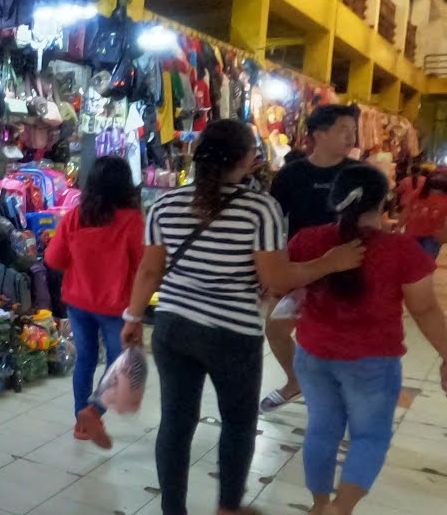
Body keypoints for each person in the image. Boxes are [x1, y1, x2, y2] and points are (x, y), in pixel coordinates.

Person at [123, 119, 363, 515]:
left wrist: (133, 318)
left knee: (175, 423)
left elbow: (149, 271)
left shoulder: (164, 204)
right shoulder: (260, 209)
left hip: (173, 328)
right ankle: (228, 509)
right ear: (247, 159)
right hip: (231, 335)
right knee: (236, 423)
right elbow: (277, 277)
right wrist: (329, 262)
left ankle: (173, 511)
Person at [287, 164, 447, 515]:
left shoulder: (308, 239)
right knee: (369, 437)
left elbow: (285, 285)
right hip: (371, 362)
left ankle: (319, 505)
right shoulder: (401, 250)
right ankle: (341, 509)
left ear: (335, 199)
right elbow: (426, 311)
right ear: (383, 202)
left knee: (322, 429)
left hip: (313, 353)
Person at [262, 104, 360, 414]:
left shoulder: (359, 175)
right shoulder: (292, 174)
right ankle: (295, 381)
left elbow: (372, 225)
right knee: (276, 329)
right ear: (319, 134)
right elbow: (274, 223)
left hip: (345, 269)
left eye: (353, 130)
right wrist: (271, 270)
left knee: (337, 338)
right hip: (298, 269)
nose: (351, 136)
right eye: (344, 130)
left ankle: (339, 401)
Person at [44, 155, 144, 448]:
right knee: (117, 363)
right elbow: (142, 267)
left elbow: (53, 258)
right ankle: (94, 411)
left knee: (85, 360)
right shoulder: (132, 221)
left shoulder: (76, 216)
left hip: (77, 302)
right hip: (116, 308)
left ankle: (82, 422)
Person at [400, 175, 447, 258]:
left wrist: (443, 236)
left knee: (426, 263)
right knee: (409, 260)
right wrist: (399, 225)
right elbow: (407, 210)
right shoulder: (418, 194)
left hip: (432, 236)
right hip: (413, 233)